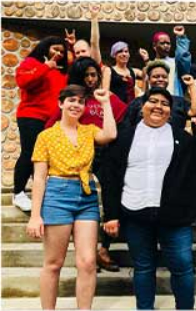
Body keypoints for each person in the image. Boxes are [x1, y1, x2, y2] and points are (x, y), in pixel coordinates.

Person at [101, 87, 196, 310]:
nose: (159, 106)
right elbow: (110, 177)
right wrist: (111, 215)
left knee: (182, 265)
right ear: (142, 107)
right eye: (153, 101)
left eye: (165, 103)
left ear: (170, 111)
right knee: (143, 267)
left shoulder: (182, 138)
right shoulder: (124, 136)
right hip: (135, 212)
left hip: (174, 216)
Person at [25, 84, 117, 310]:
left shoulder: (88, 131)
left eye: (81, 102)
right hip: (57, 194)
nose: (76, 105)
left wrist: (105, 103)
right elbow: (39, 178)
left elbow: (111, 134)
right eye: (71, 100)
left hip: (86, 196)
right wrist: (35, 215)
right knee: (54, 263)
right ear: (61, 103)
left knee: (87, 262)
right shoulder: (46, 136)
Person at [45, 57, 128, 272]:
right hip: (77, 157)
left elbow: (122, 120)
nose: (91, 79)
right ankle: (88, 252)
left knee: (110, 197)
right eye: (87, 75)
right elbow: (51, 128)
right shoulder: (73, 100)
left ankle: (103, 248)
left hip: (105, 153)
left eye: (94, 75)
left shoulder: (106, 97)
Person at [13, 36, 69, 212]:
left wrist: (73, 46)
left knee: (45, 158)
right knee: (29, 153)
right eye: (55, 49)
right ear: (45, 48)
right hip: (31, 115)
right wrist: (46, 67)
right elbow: (23, 82)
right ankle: (18, 193)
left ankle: (41, 192)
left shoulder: (61, 71)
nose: (58, 54)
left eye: (62, 51)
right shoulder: (31, 63)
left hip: (51, 120)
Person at [124, 60, 196, 129]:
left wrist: (192, 85)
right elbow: (127, 128)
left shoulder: (179, 101)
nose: (161, 79)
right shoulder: (137, 102)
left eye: (164, 77)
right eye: (156, 76)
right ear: (149, 79)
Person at [151, 27, 191, 96]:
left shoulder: (175, 63)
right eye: (162, 43)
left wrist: (181, 37)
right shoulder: (150, 65)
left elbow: (183, 57)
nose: (166, 46)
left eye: (168, 43)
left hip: (174, 100)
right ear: (154, 46)